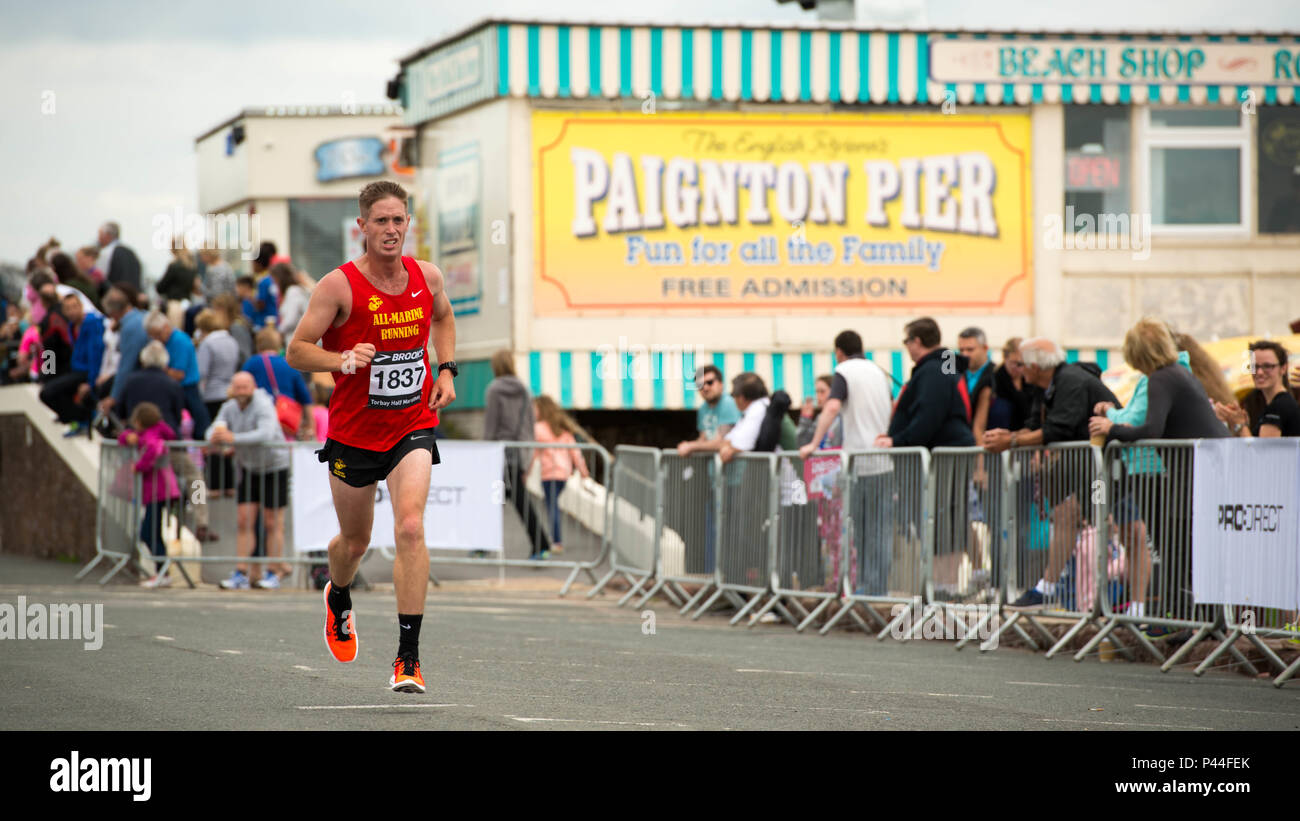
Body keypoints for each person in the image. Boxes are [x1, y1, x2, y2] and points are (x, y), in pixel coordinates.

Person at [286, 180, 457, 694]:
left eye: (398, 220)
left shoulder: (427, 276)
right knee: (355, 542)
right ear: (361, 227)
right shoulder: (336, 286)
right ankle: (338, 595)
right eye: (380, 221)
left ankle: (408, 659)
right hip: (355, 433)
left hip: (412, 424)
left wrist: (445, 371)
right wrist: (340, 359)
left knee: (409, 527)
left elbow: (443, 318)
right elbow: (296, 350)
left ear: (409, 223)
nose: (390, 229)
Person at [985, 337, 1120, 607]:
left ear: (1035, 366)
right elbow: (1036, 425)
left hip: (1112, 462)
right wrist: (1009, 435)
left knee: (1117, 524)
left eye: (1022, 364)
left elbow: (1057, 430)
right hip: (1088, 460)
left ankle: (1118, 594)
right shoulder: (1042, 386)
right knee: (1067, 514)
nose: (1018, 370)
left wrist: (1010, 441)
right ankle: (1050, 586)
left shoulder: (1070, 380)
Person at [800, 329, 894, 595]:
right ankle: (878, 587)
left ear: (839, 351)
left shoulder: (845, 371)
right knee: (881, 529)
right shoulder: (878, 371)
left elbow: (831, 407)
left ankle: (868, 587)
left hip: (860, 461)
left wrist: (813, 443)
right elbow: (891, 405)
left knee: (863, 529)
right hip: (884, 459)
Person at [209, 372, 294, 589]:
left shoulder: (263, 405)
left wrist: (233, 439)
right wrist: (216, 436)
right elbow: (215, 427)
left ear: (253, 387)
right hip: (248, 468)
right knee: (244, 520)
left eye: (245, 386)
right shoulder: (229, 407)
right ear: (232, 388)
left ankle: (274, 571)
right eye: (238, 387)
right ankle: (241, 572)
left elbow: (265, 434)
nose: (241, 391)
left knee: (272, 522)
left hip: (275, 467)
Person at [483, 349, 550, 558]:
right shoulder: (525, 391)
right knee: (508, 500)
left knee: (497, 500)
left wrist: (485, 452)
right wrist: (527, 457)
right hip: (519, 453)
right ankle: (540, 545)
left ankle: (541, 545)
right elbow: (529, 426)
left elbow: (491, 427)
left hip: (499, 453)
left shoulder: (494, 390)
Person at [875, 317, 974, 449]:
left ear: (917, 341)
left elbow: (929, 415)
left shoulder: (934, 370)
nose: (907, 346)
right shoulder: (944, 366)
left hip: (941, 455)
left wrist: (898, 441)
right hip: (948, 449)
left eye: (906, 341)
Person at [119, 402, 181, 589]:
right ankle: (162, 571)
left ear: (139, 421)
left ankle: (163, 571)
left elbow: (154, 449)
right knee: (152, 532)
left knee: (148, 532)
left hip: (159, 491)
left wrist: (138, 467)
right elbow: (124, 437)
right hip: (160, 490)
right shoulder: (152, 432)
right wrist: (127, 437)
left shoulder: (151, 435)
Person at [532, 395, 590, 556]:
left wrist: (527, 470)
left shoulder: (539, 428)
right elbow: (575, 451)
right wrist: (583, 471)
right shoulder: (562, 429)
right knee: (553, 504)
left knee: (552, 506)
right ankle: (555, 538)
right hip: (563, 473)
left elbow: (533, 453)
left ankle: (556, 541)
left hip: (549, 473)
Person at [39, 292, 104, 435]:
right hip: (70, 368)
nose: (71, 311)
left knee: (49, 392)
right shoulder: (69, 324)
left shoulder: (49, 321)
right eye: (68, 308)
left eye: (74, 307)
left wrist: (47, 375)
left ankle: (81, 418)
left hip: (78, 370)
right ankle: (74, 417)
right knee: (53, 391)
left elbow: (48, 351)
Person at [1215, 340, 1300, 438]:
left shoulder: (1278, 406)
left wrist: (1241, 425)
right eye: (1254, 366)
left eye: (1267, 366)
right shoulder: (1277, 404)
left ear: (1283, 368)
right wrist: (1235, 422)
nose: (1259, 372)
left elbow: (1261, 451)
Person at [145, 311, 210, 437]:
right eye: (153, 336)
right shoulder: (165, 342)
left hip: (187, 390)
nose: (156, 339)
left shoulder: (179, 341)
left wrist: (156, 369)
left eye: (158, 334)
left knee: (198, 425)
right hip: (172, 389)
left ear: (166, 327)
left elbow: (179, 374)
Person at [242, 328, 315, 440]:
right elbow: (306, 398)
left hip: (258, 419)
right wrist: (311, 426)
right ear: (279, 344)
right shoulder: (289, 365)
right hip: (284, 421)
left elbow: (242, 388)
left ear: (258, 344)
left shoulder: (252, 363)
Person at [98, 286, 151, 424]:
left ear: (114, 312)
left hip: (141, 380)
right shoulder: (142, 316)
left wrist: (114, 397)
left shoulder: (130, 327)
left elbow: (127, 365)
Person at [675, 364, 742, 457]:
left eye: (710, 382)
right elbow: (703, 439)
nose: (705, 388)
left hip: (733, 467)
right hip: (713, 467)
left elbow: (722, 442)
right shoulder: (703, 408)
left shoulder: (728, 403)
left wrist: (691, 446)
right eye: (700, 385)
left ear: (721, 384)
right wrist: (687, 445)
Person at [156, 244, 197, 328]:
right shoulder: (192, 266)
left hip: (174, 304)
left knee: (174, 331)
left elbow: (161, 287)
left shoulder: (174, 266)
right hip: (188, 303)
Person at [796, 375, 841, 450]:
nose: (818, 396)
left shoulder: (842, 417)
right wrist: (805, 419)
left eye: (822, 392)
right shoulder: (820, 417)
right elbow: (802, 444)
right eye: (817, 392)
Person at [97, 222, 141, 294]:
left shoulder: (106, 252)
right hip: (132, 295)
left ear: (107, 235)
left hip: (113, 295)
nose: (98, 238)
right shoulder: (131, 252)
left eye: (100, 234)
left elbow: (101, 277)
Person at [272, 262, 311, 339]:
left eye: (275, 279)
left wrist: (277, 332)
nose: (274, 283)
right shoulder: (295, 290)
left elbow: (290, 320)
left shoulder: (293, 292)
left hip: (296, 338)